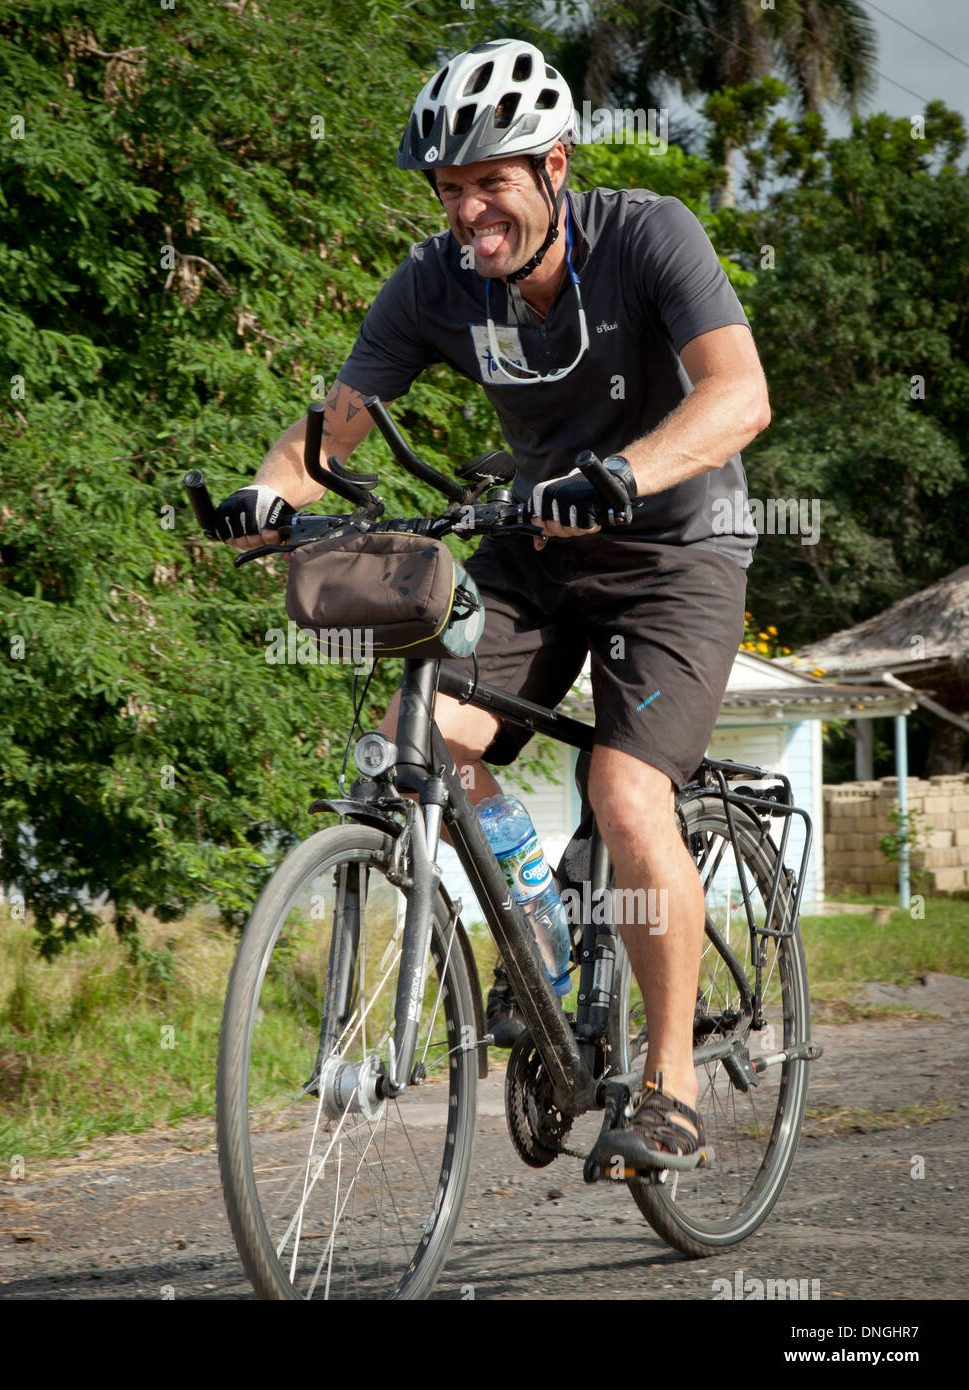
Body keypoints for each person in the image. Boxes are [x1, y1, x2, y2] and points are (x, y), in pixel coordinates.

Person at [211, 38, 768, 1174]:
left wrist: (623, 472)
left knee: (622, 790)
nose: (470, 210)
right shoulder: (432, 283)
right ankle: (546, 941)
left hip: (674, 547)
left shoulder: (650, 236)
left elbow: (739, 393)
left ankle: (667, 1083)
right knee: (414, 743)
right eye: (450, 188)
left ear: (554, 166)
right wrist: (264, 495)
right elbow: (333, 432)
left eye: (491, 182)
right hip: (532, 543)